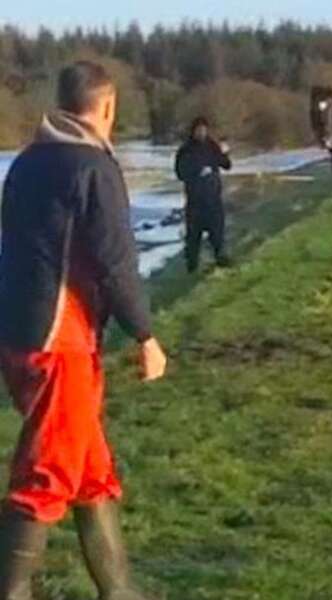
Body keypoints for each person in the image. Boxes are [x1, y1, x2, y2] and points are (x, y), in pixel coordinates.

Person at [0, 61, 166, 600]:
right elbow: (117, 261)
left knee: (91, 470)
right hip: (61, 342)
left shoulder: (24, 164)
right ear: (107, 107)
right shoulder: (94, 167)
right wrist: (145, 336)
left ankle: (121, 594)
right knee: (45, 475)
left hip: (18, 335)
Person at [174, 117, 233, 272]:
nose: (201, 132)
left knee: (218, 233)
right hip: (195, 201)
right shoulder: (185, 150)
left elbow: (226, 165)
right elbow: (180, 173)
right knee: (193, 237)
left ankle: (221, 260)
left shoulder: (212, 146)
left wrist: (225, 153)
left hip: (213, 199)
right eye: (198, 130)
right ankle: (192, 267)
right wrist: (198, 171)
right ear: (193, 131)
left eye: (204, 129)